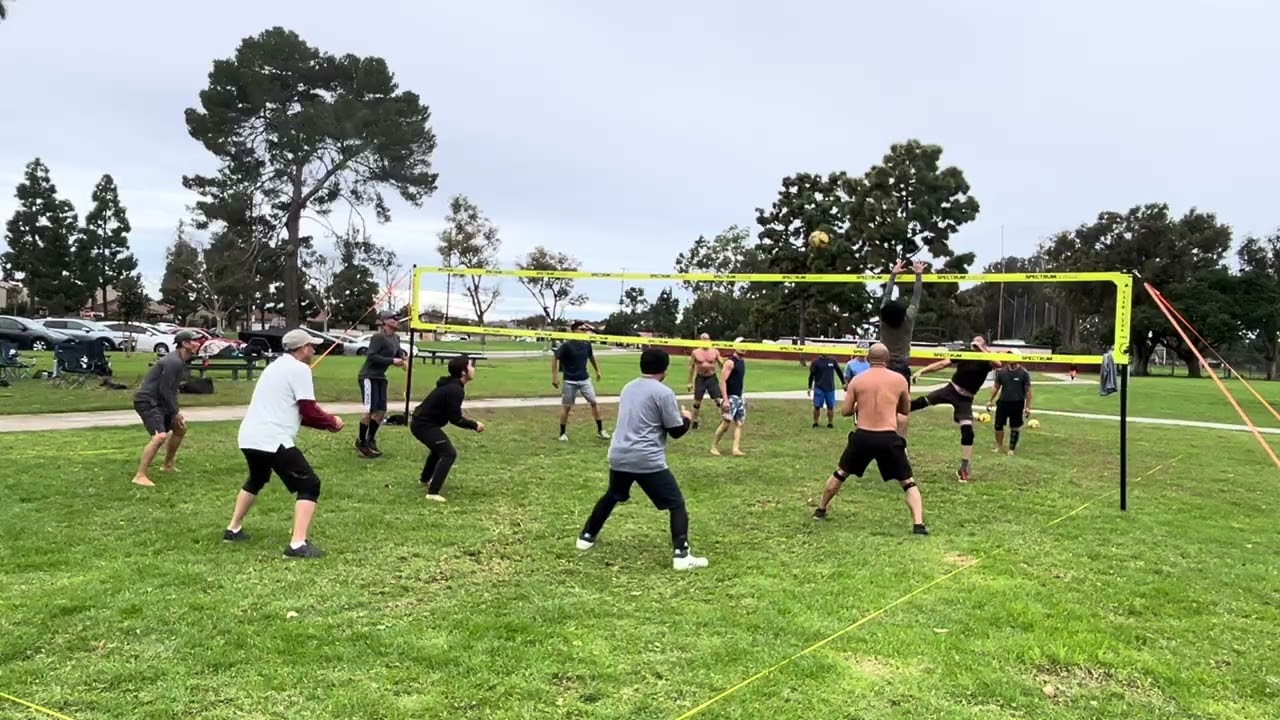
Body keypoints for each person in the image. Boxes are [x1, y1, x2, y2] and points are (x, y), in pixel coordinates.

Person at [576, 347, 708, 571]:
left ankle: (586, 537)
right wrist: (686, 418)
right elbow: (675, 431)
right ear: (664, 369)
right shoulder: (663, 392)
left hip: (619, 454)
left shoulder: (628, 387)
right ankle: (681, 554)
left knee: (613, 495)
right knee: (676, 504)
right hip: (646, 458)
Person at [224, 329, 344, 559]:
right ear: (302, 348)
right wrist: (332, 422)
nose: (313, 350)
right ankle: (297, 544)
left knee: (257, 478)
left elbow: (295, 411)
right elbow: (308, 411)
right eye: (311, 346)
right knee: (309, 484)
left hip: (249, 436)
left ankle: (232, 529)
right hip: (272, 438)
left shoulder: (275, 366)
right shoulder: (300, 369)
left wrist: (324, 421)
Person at [812, 344, 927, 535]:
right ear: (887, 359)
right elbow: (905, 410)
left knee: (840, 473)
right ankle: (918, 525)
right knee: (908, 482)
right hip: (888, 437)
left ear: (868, 357)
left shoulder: (858, 380)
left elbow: (846, 411)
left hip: (863, 436)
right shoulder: (899, 380)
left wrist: (859, 404)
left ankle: (821, 509)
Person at [910, 335, 1003, 482]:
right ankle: (894, 412)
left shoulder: (988, 358)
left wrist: (981, 350)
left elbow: (998, 364)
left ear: (984, 345)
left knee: (968, 432)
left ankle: (964, 468)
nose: (974, 346)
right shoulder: (964, 352)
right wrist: (922, 371)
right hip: (950, 389)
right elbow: (943, 363)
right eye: (973, 343)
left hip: (965, 399)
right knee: (922, 402)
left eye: (978, 344)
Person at [130, 330, 202, 487]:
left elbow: (170, 390)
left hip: (160, 400)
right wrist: (175, 411)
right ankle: (140, 475)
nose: (198, 343)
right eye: (195, 341)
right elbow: (165, 390)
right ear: (185, 344)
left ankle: (167, 465)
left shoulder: (180, 360)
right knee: (159, 437)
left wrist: (174, 411)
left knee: (180, 429)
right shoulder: (173, 362)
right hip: (147, 401)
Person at [411, 355, 486, 502]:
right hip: (423, 425)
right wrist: (474, 425)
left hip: (421, 423)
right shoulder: (454, 389)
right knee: (448, 453)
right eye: (471, 366)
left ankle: (424, 480)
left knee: (438, 449)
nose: (473, 369)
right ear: (464, 372)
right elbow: (455, 419)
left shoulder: (453, 386)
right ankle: (432, 492)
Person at [879, 259, 927, 436]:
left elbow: (886, 298)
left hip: (883, 366)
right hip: (901, 367)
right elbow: (916, 298)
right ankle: (901, 442)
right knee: (902, 409)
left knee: (883, 405)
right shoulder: (908, 320)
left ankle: (883, 435)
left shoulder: (883, 320)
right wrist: (918, 275)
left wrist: (893, 275)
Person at [356, 312, 405, 458]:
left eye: (397, 319)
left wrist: (402, 359)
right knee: (370, 409)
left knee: (381, 411)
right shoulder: (378, 337)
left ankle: (370, 439)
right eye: (393, 318)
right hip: (368, 377)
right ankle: (361, 442)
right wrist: (392, 361)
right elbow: (371, 356)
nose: (397, 321)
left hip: (380, 378)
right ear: (384, 321)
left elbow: (397, 353)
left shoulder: (396, 338)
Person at [552, 321, 608, 441]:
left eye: (584, 330)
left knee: (594, 402)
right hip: (570, 381)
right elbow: (555, 357)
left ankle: (600, 430)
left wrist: (598, 370)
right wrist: (555, 377)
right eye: (581, 330)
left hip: (585, 379)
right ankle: (562, 434)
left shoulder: (586, 344)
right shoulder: (567, 345)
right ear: (574, 331)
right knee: (566, 407)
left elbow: (591, 357)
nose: (584, 332)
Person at [987, 354, 1032, 456]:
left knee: (1015, 427)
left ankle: (1011, 449)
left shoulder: (1024, 373)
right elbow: (996, 387)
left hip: (1017, 403)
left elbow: (1028, 391)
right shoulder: (1002, 372)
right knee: (998, 426)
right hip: (1003, 402)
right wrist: (990, 400)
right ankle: (999, 446)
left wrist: (1028, 407)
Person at [711, 340, 747, 456]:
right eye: (740, 346)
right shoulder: (730, 362)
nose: (743, 348)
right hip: (730, 397)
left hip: (739, 397)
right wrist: (725, 399)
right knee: (725, 424)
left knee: (739, 423)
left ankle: (735, 449)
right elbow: (722, 381)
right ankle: (714, 446)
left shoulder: (742, 362)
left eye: (745, 346)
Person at [686, 333, 724, 430]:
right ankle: (695, 421)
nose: (705, 341)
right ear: (700, 340)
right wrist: (689, 382)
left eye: (707, 339)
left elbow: (721, 364)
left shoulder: (715, 351)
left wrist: (725, 377)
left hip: (711, 378)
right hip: (700, 378)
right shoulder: (696, 352)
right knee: (697, 402)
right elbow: (691, 367)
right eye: (703, 339)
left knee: (718, 400)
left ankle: (724, 419)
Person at [807, 352, 843, 428]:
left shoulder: (832, 360)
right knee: (817, 406)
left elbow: (839, 371)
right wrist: (809, 387)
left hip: (830, 388)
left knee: (830, 406)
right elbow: (811, 375)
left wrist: (843, 383)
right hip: (819, 387)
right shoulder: (816, 362)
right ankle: (815, 422)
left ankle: (830, 423)